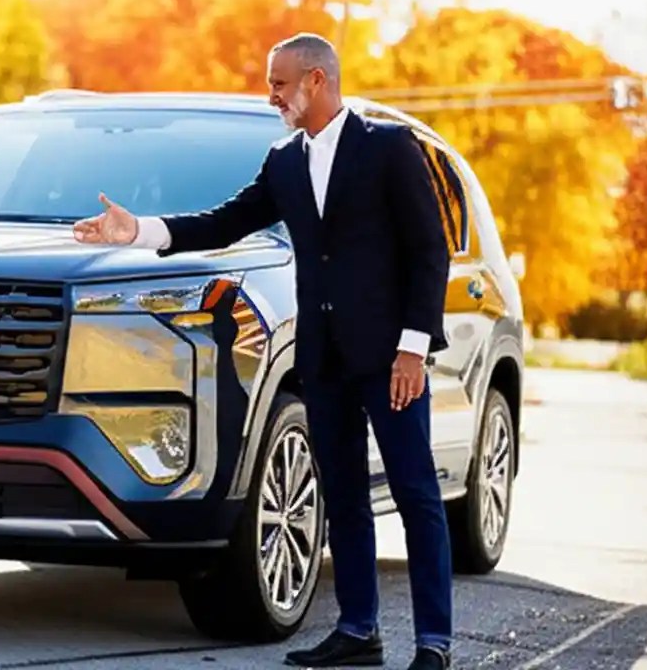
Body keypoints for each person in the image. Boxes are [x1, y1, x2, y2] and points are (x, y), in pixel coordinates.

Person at [72, 33, 454, 670]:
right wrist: (138, 231)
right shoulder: (283, 160)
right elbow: (226, 221)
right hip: (324, 361)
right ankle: (359, 632)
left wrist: (412, 350)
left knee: (416, 496)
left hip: (391, 362)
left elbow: (428, 252)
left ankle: (434, 645)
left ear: (316, 81)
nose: (271, 93)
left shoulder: (389, 148)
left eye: (279, 83)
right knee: (344, 497)